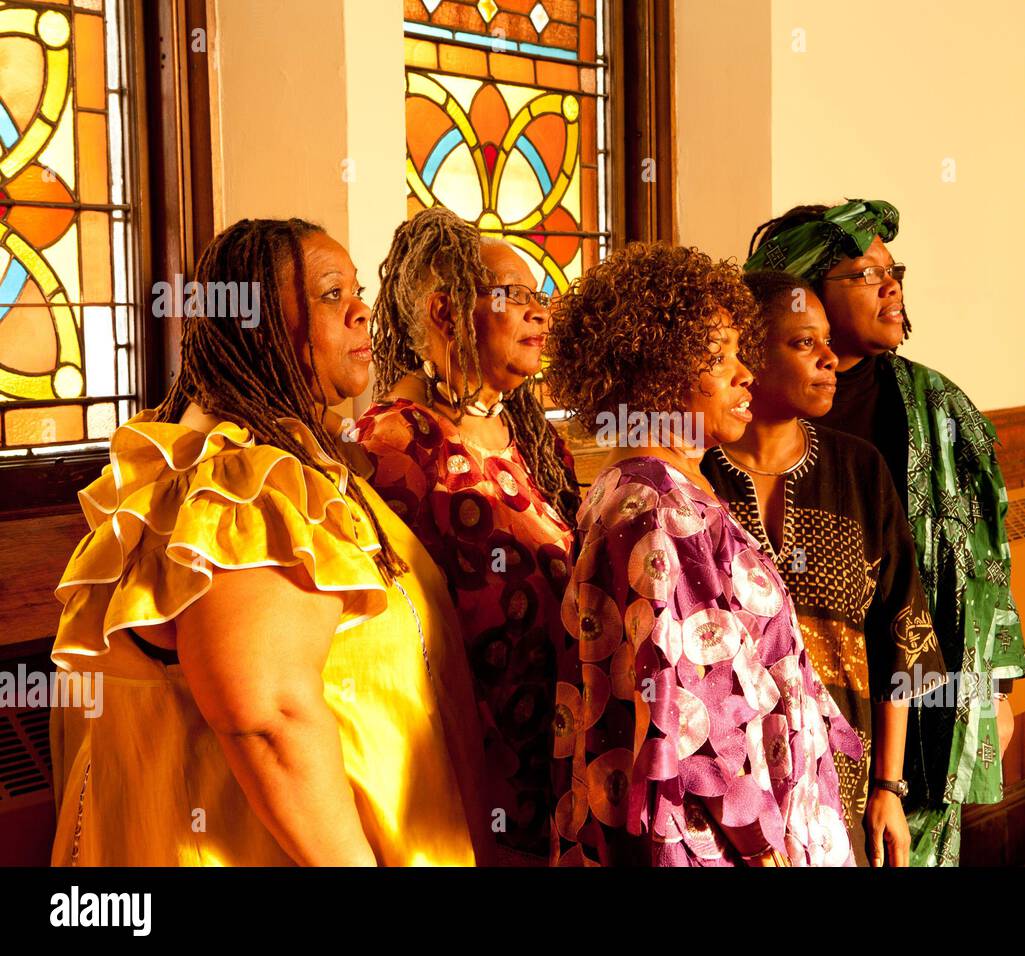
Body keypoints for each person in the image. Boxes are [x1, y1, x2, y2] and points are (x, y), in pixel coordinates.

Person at [49, 218, 488, 866]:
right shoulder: (242, 486)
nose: (361, 311)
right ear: (256, 321)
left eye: (357, 292)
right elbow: (267, 718)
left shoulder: (272, 462)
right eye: (331, 295)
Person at [543, 241, 861, 867]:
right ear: (655, 376)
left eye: (740, 352)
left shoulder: (646, 486)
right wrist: (765, 848)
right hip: (717, 845)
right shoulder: (660, 512)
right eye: (719, 359)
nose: (746, 374)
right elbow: (688, 714)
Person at [747, 199, 1025, 866]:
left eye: (893, 270)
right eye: (866, 274)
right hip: (795, 692)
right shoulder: (752, 412)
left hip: (922, 687)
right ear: (803, 293)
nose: (892, 286)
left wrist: (995, 686)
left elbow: (988, 557)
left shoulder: (939, 407)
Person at [700, 270, 948, 867]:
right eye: (804, 343)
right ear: (750, 356)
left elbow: (903, 635)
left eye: (827, 342)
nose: (831, 360)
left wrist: (888, 788)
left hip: (843, 789)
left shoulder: (860, 472)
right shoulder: (694, 479)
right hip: (728, 799)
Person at [357, 207, 579, 864]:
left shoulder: (530, 434)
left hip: (552, 742)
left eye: (543, 297)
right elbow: (389, 633)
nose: (541, 313)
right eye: (515, 296)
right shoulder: (395, 445)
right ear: (445, 312)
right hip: (468, 759)